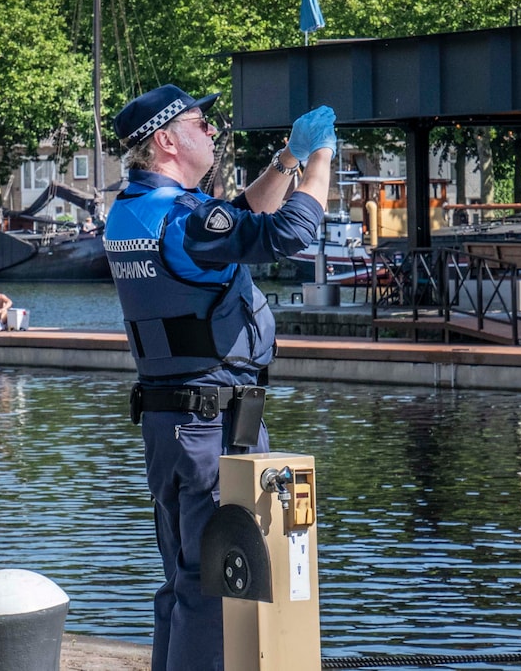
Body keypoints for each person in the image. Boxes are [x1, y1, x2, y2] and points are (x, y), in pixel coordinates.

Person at [102, 84, 335, 671]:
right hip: (210, 427)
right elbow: (291, 233)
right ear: (166, 140)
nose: (212, 131)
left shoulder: (134, 210)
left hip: (171, 420)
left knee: (184, 578)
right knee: (214, 586)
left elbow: (235, 219)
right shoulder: (183, 219)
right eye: (201, 124)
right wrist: (323, 159)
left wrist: (287, 160)